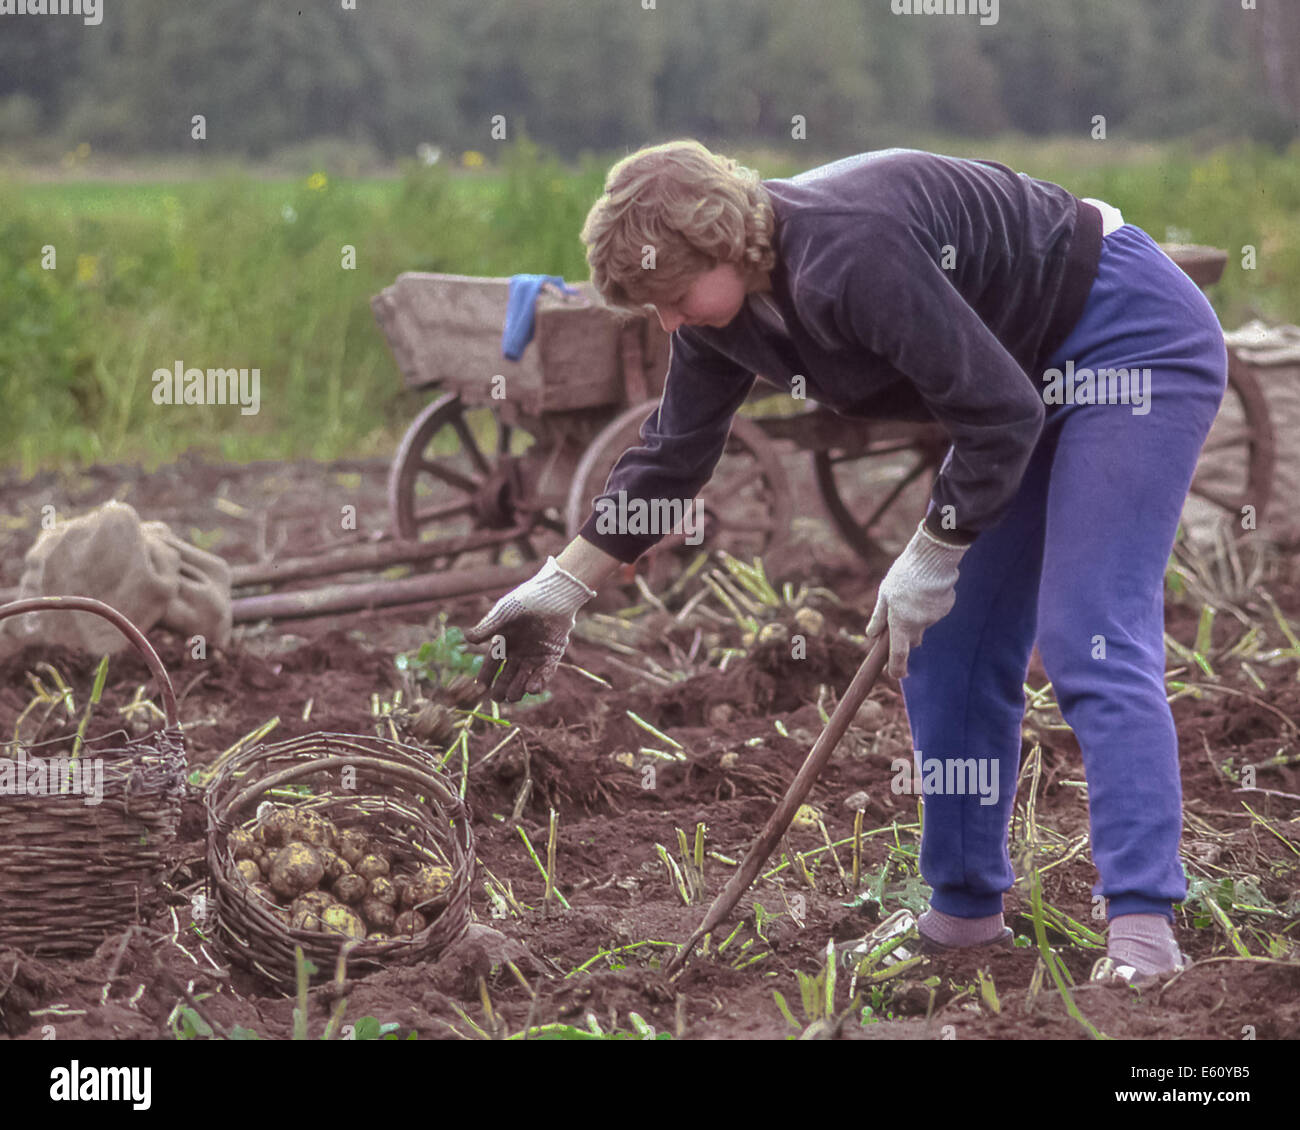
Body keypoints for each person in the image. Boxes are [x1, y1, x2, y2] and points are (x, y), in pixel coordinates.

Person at [463, 140, 1228, 988]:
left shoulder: (851, 250)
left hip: (1126, 339)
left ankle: (1145, 933)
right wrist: (563, 584)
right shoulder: (723, 318)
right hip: (1017, 384)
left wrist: (934, 549)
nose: (670, 322)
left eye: (675, 297)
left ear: (724, 246)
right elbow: (673, 454)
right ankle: (964, 914)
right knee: (947, 645)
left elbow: (999, 413)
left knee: (1088, 631)